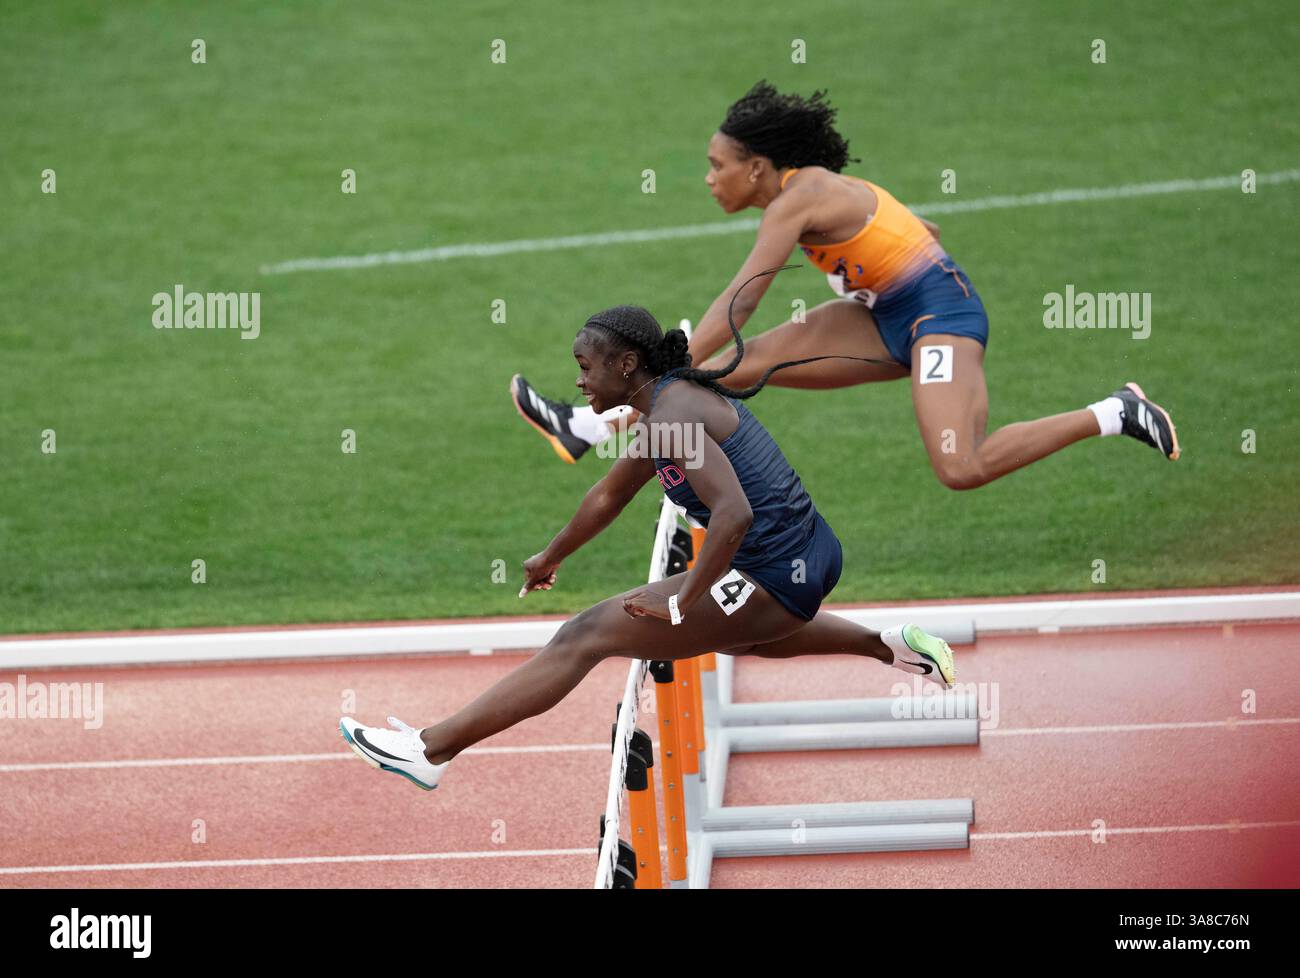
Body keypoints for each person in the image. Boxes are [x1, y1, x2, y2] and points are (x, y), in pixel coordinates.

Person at [341, 303, 955, 790]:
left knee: (585, 636)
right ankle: (890, 648)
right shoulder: (661, 408)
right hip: (810, 554)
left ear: (627, 364)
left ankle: (431, 750)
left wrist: (686, 596)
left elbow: (733, 513)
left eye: (587, 367)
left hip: (772, 570)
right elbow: (609, 496)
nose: (579, 382)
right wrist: (551, 555)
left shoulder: (672, 416)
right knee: (743, 634)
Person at [511, 80, 1179, 488]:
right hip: (884, 311)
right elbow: (926, 226)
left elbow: (743, 297)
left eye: (718, 167)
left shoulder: (795, 203)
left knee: (960, 466)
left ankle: (1117, 411)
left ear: (758, 167)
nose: (709, 178)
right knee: (728, 370)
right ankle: (585, 429)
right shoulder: (812, 198)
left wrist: (664, 354)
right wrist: (887, 257)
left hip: (939, 318)